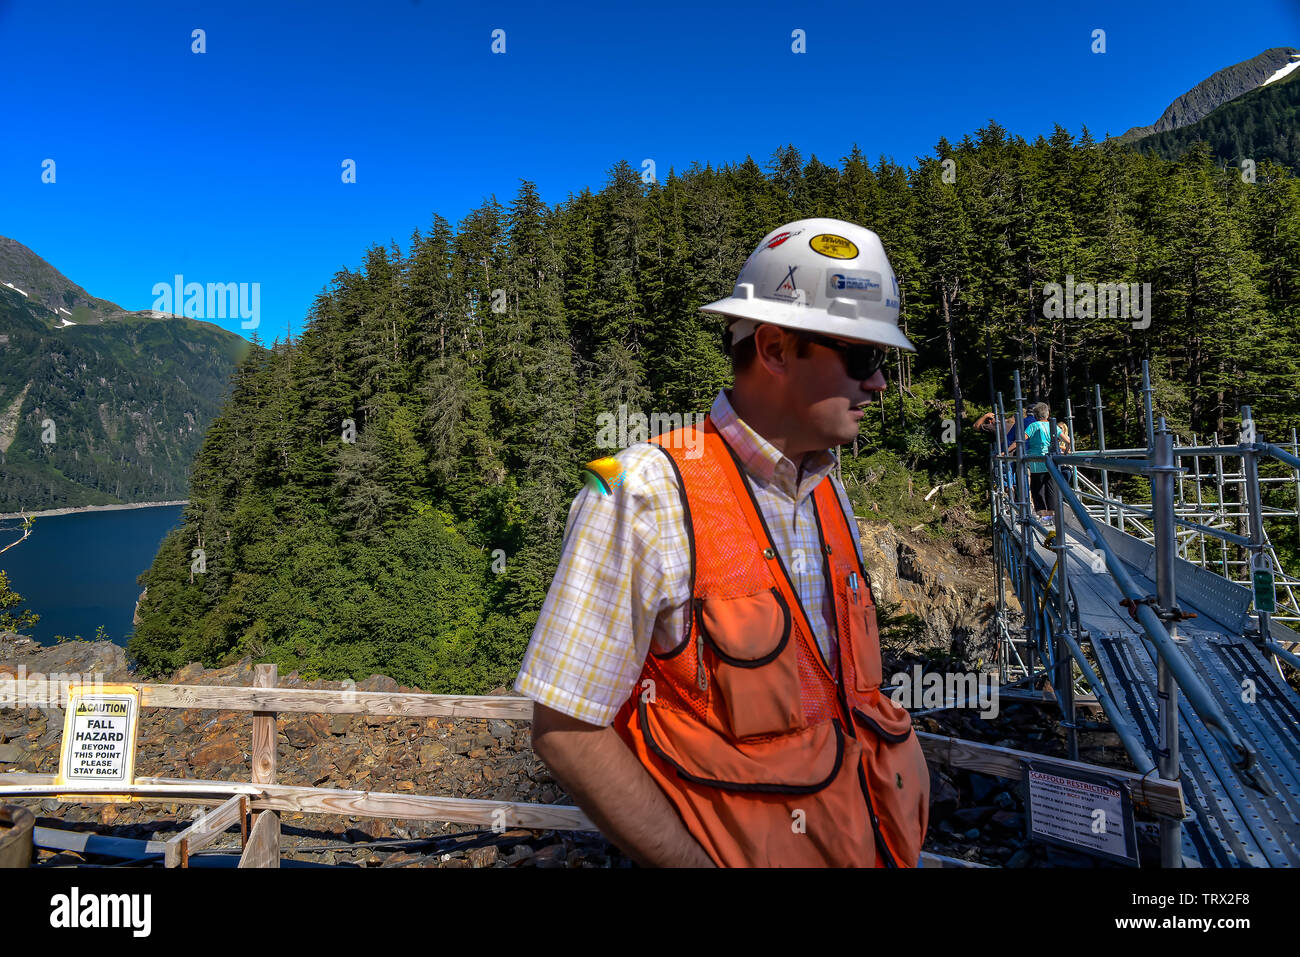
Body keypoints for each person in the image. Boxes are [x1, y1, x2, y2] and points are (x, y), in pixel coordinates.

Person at [516, 218, 930, 867]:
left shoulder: (829, 490)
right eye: (863, 357)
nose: (878, 382)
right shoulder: (643, 494)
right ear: (773, 350)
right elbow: (567, 728)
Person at [1024, 403, 1055, 520]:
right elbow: (1067, 440)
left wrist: (1006, 451)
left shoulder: (1034, 425)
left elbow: (1022, 439)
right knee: (1050, 488)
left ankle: (1043, 515)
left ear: (1035, 415)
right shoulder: (1052, 426)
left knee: (1037, 489)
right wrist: (1067, 449)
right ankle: (1052, 515)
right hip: (1050, 462)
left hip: (1037, 462)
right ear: (1047, 414)